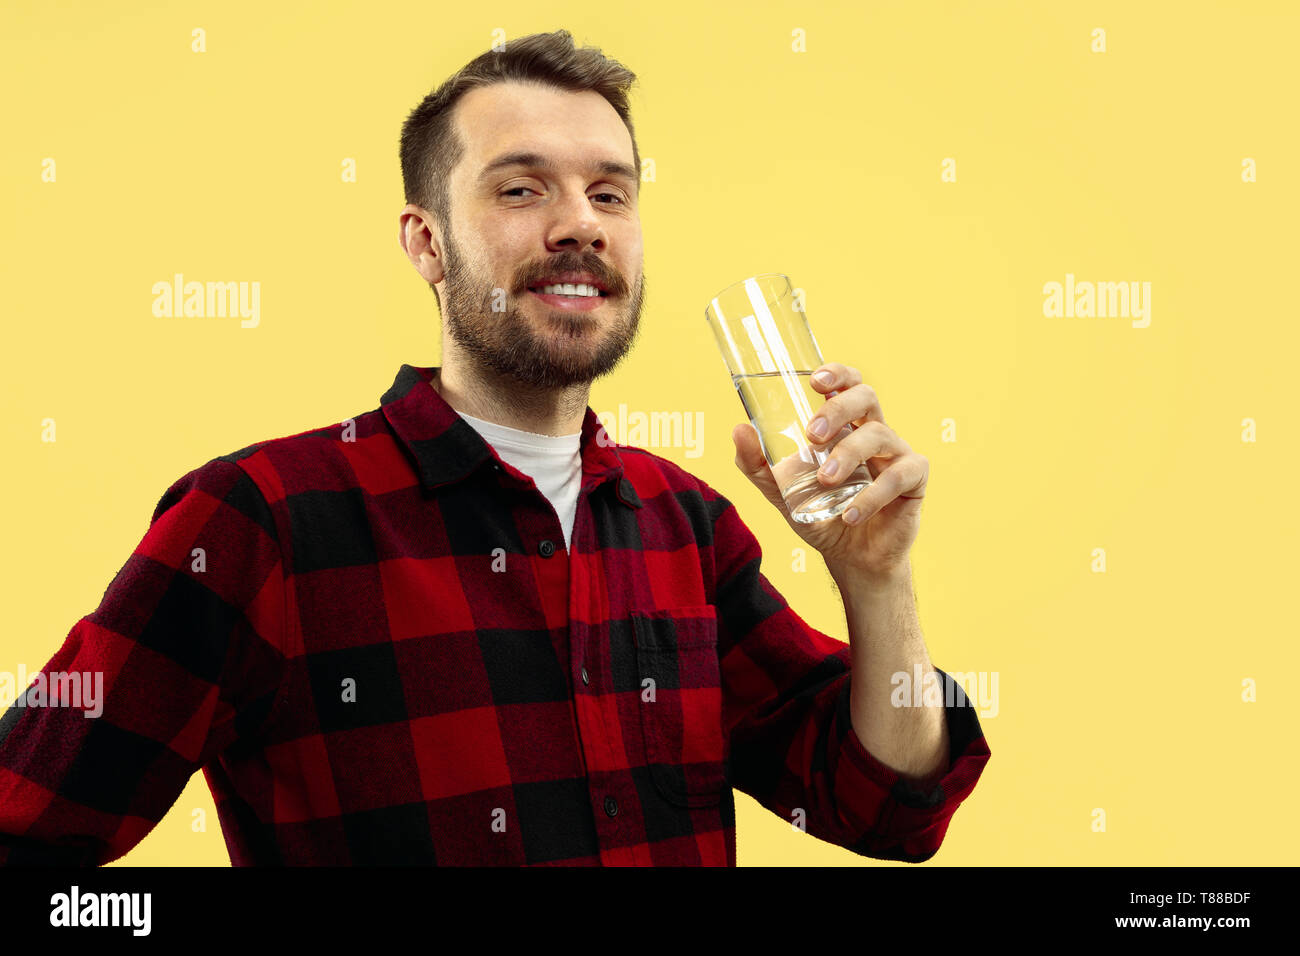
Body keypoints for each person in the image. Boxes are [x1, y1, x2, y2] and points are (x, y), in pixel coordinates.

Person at [0, 29, 989, 866]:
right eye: (521, 190)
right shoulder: (260, 517)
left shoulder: (685, 525)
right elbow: (26, 821)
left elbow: (885, 805)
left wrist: (877, 578)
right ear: (426, 242)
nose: (578, 226)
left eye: (611, 194)